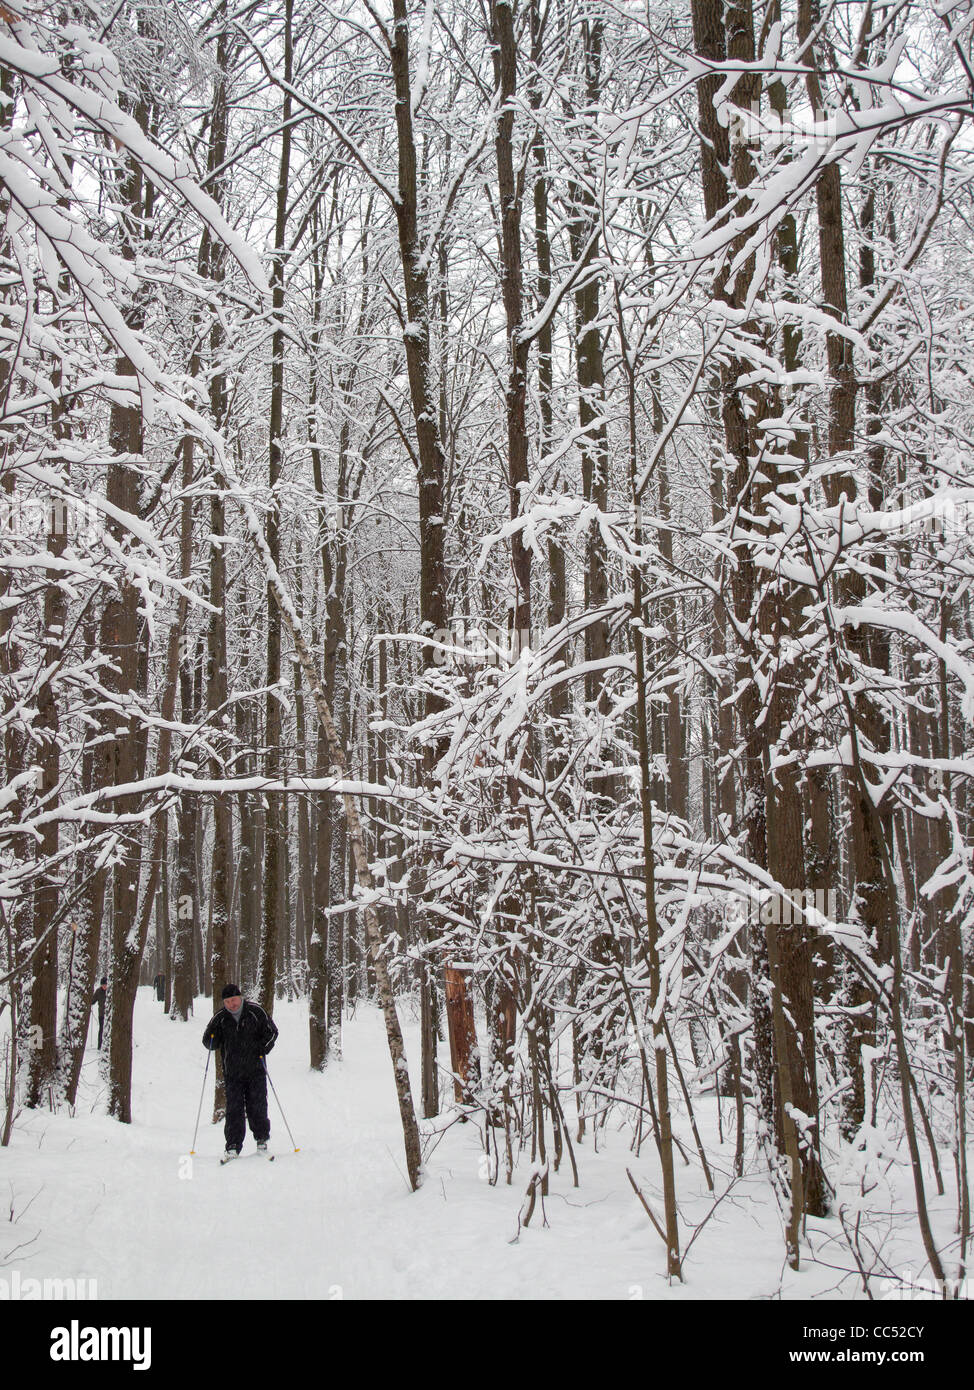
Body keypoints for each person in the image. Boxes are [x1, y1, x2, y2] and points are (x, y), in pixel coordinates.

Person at [202, 985, 278, 1160]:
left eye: (234, 1000)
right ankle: (233, 1146)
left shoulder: (255, 1012)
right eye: (227, 1002)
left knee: (257, 1106)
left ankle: (262, 1141)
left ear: (240, 998)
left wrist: (263, 1048)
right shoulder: (220, 1018)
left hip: (256, 1070)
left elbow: (273, 1032)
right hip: (232, 1073)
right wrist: (213, 1039)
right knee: (234, 1110)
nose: (231, 1005)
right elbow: (207, 1041)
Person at [91, 977, 107, 1049]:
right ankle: (99, 1046)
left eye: (105, 985)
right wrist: (90, 1002)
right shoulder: (98, 991)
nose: (104, 986)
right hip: (101, 1014)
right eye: (103, 985)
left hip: (108, 1014)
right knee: (101, 1029)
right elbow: (93, 1000)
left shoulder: (109, 992)